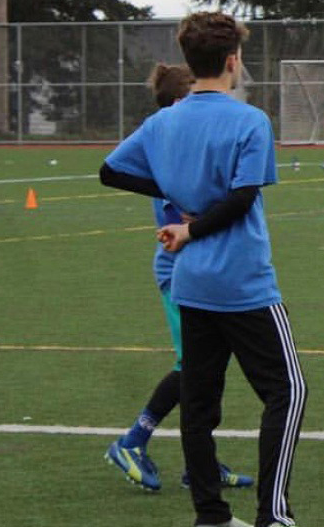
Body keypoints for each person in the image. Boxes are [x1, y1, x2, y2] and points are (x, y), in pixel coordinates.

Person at [100, 12, 321, 527]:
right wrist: (195, 222)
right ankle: (272, 516)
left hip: (191, 282)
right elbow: (243, 197)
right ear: (232, 61)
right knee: (288, 391)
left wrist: (177, 198)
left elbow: (109, 170)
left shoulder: (164, 121)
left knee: (199, 402)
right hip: (243, 281)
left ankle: (211, 515)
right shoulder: (249, 121)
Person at [104, 63, 254, 494]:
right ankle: (133, 441)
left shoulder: (180, 147)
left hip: (207, 270)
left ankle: (199, 464)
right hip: (180, 272)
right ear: (177, 103)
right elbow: (113, 172)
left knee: (209, 366)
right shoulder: (167, 141)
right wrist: (165, 192)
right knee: (192, 365)